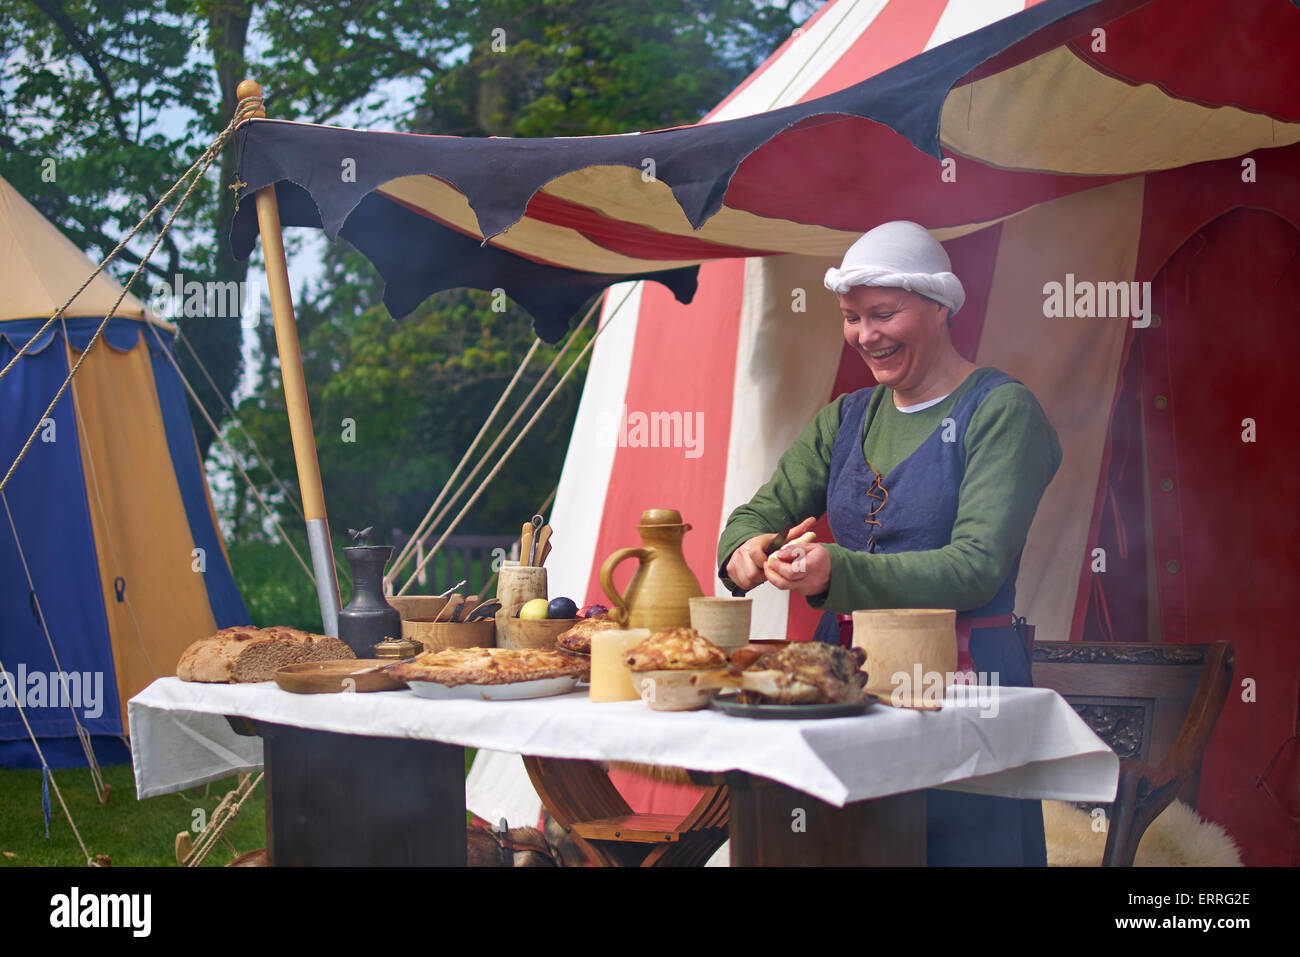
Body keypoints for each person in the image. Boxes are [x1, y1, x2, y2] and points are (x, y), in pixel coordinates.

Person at [715, 220, 1062, 866]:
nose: (865, 334)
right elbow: (761, 509)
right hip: (841, 685)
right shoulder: (847, 418)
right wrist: (747, 548)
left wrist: (834, 570)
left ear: (938, 307)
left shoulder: (1001, 413)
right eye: (851, 317)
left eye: (883, 313)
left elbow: (976, 566)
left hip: (964, 683)